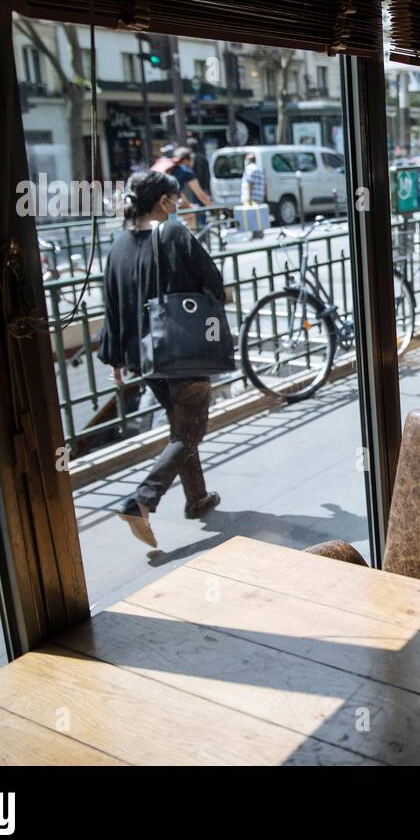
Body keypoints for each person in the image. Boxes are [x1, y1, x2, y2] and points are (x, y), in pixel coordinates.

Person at [98, 170, 226, 546]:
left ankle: (197, 498)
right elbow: (212, 281)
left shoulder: (119, 244)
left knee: (181, 428)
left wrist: (116, 360)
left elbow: (112, 308)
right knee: (191, 431)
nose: (178, 206)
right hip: (181, 350)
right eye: (175, 199)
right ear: (161, 202)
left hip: (144, 357)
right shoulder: (172, 233)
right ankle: (141, 500)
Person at [240, 151, 266, 239]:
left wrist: (249, 197)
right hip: (259, 195)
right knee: (257, 215)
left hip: (252, 196)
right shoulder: (258, 168)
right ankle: (259, 233)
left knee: (251, 216)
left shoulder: (249, 169)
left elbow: (249, 183)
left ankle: (255, 234)